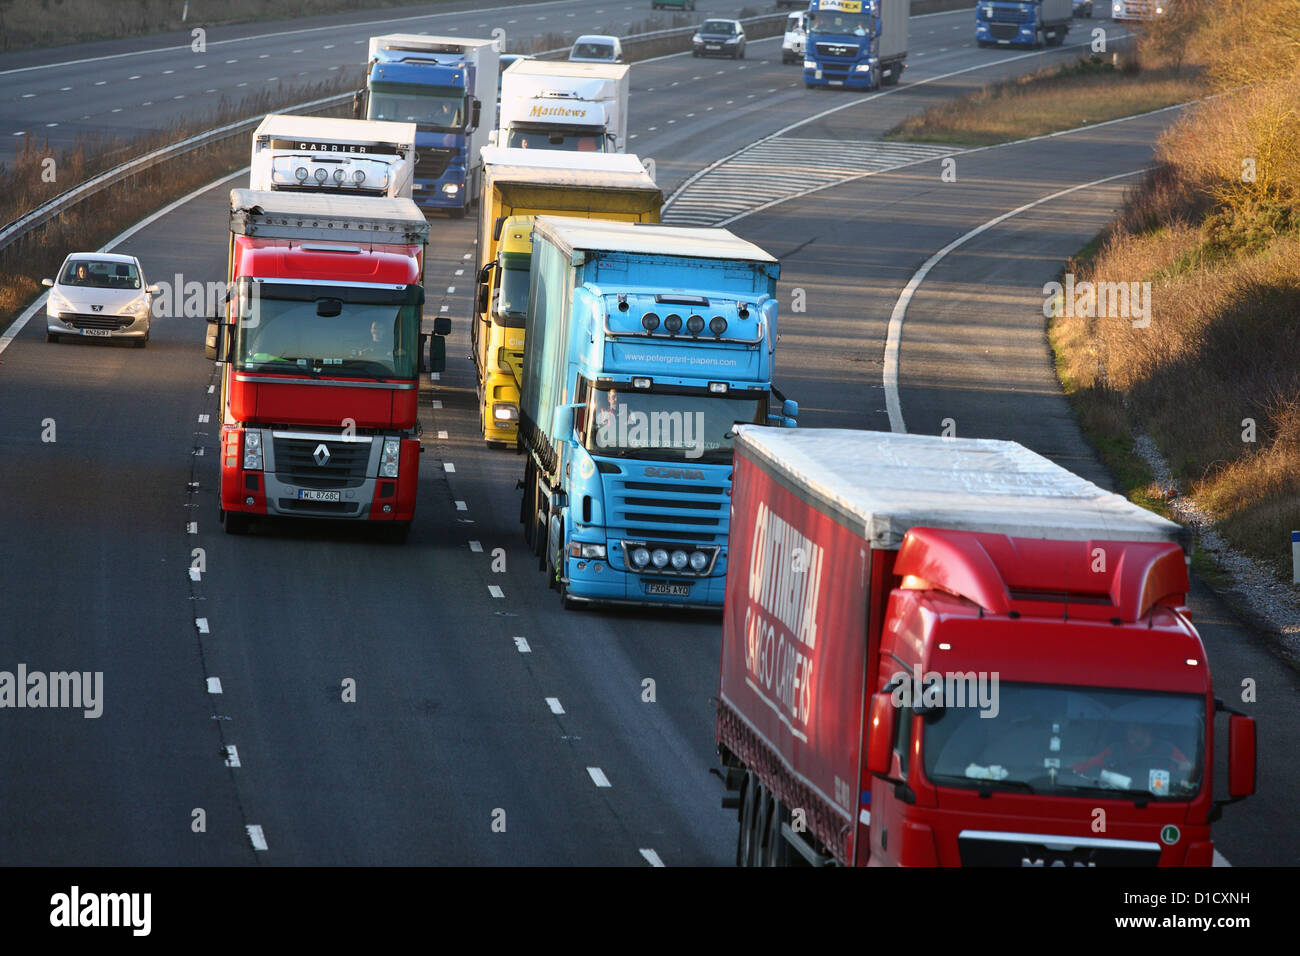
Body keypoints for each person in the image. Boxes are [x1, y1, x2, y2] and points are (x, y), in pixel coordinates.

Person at [1072, 722, 1193, 781]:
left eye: (1135, 728)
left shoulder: (1167, 749)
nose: (1130, 732)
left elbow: (1189, 769)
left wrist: (1185, 769)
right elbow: (1091, 764)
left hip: (1157, 801)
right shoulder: (1116, 749)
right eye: (1129, 728)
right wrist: (1066, 770)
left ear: (1148, 730)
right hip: (1120, 799)